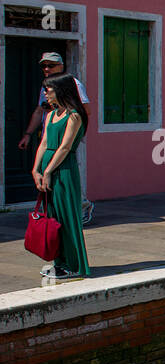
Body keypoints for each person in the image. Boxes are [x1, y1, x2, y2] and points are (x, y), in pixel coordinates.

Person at [19, 53, 94, 223]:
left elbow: (85, 110)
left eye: (51, 65)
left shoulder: (73, 85)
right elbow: (39, 111)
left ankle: (81, 207)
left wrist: (71, 124)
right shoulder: (46, 89)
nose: (47, 69)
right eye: (44, 66)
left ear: (61, 66)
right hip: (50, 137)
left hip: (65, 139)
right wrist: (28, 134)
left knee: (65, 181)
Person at [31, 74, 90, 281]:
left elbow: (65, 147)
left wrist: (47, 171)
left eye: (49, 89)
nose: (45, 93)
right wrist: (36, 169)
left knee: (66, 215)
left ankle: (73, 264)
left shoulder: (74, 115)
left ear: (61, 90)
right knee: (53, 216)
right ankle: (59, 262)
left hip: (63, 169)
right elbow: (45, 142)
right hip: (48, 166)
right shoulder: (52, 115)